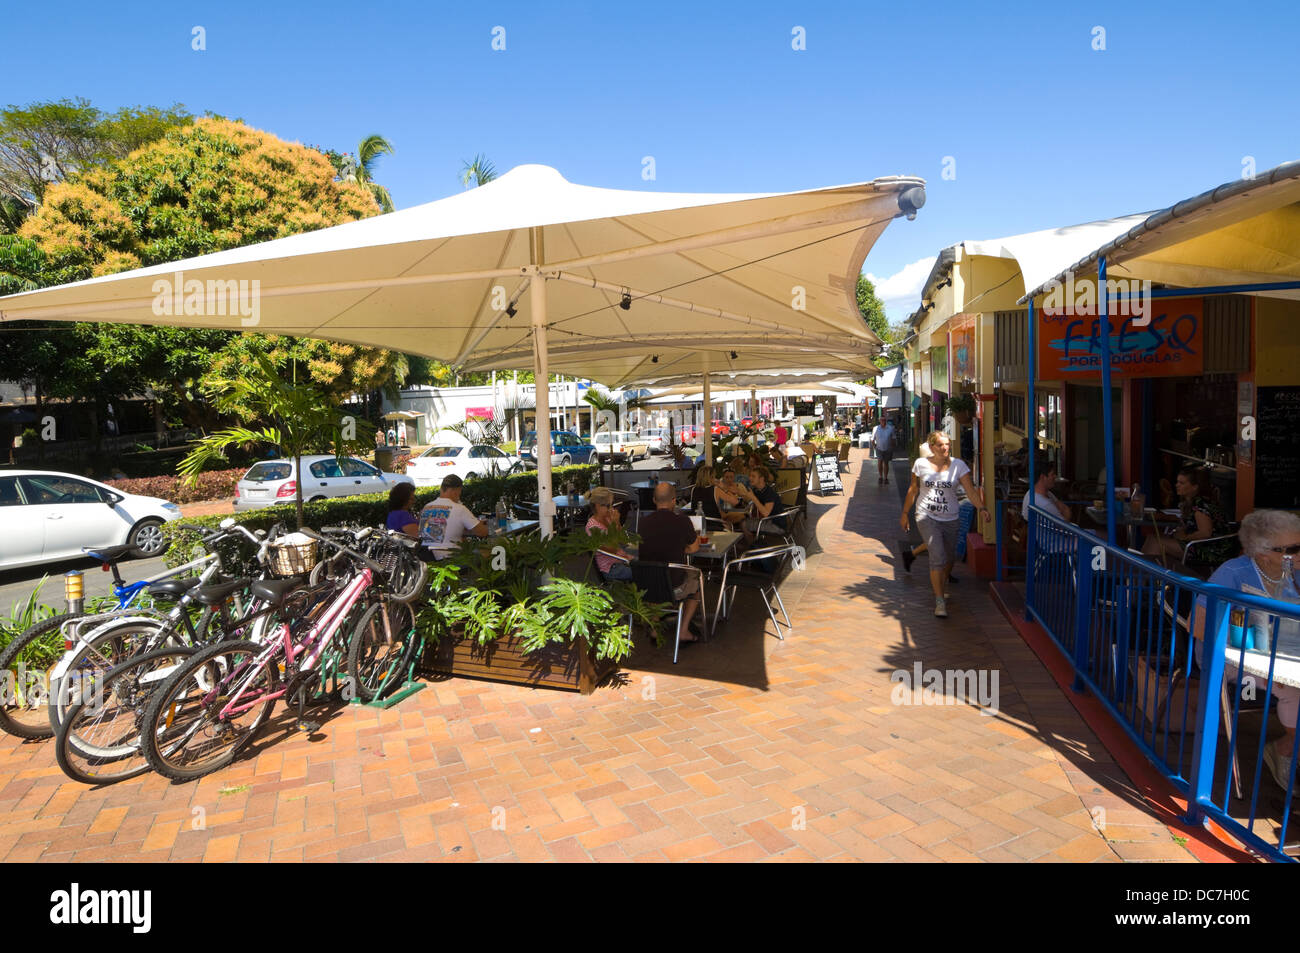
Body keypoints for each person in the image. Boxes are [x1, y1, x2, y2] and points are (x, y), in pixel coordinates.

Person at [1195, 510, 1300, 790]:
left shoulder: (1295, 575)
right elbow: (1199, 626)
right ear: (1264, 553)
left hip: (1287, 655)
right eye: (1293, 549)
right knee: (1292, 688)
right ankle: (1287, 751)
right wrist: (1258, 653)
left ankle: (1286, 746)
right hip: (1229, 658)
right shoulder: (1233, 573)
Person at [899, 431, 991, 618]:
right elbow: (913, 489)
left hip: (950, 517)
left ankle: (942, 584)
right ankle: (939, 601)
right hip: (926, 515)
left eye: (947, 444)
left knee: (950, 557)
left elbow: (970, 491)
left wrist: (981, 508)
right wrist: (905, 513)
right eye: (941, 445)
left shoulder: (959, 466)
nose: (945, 447)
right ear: (932, 447)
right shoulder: (921, 464)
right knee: (938, 556)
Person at [638, 482, 703, 640]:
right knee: (697, 582)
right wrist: (681, 548)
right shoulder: (682, 521)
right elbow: (694, 548)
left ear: (654, 500)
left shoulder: (643, 523)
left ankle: (655, 627)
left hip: (647, 586)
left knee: (656, 576)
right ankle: (684, 630)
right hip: (673, 586)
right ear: (674, 500)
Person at [1142, 464, 1232, 564]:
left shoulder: (1200, 505)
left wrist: (1185, 537)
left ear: (1194, 487)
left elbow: (1205, 533)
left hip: (1210, 550)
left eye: (1182, 483)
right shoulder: (1189, 503)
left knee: (1156, 542)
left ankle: (1146, 577)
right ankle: (1144, 576)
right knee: (1152, 537)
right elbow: (1190, 524)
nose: (1177, 485)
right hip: (1197, 545)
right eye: (1177, 482)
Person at [418, 474, 487, 559]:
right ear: (456, 491)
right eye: (460, 492)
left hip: (425, 557)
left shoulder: (426, 507)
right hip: (449, 559)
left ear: (441, 489)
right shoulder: (460, 509)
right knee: (486, 553)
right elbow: (482, 532)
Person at [586, 486, 635, 581]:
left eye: (612, 505)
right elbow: (612, 549)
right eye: (607, 506)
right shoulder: (593, 527)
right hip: (611, 568)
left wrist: (618, 524)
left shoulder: (607, 518)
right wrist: (614, 524)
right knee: (645, 573)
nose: (610, 509)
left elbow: (624, 541)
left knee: (648, 565)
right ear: (597, 505)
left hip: (622, 559)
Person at [1021, 458, 1071, 522]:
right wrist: (1062, 511)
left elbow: (1064, 508)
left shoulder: (1032, 492)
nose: (1055, 477)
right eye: (1052, 474)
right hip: (1052, 531)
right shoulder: (1045, 504)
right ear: (1043, 477)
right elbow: (1065, 522)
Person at [742, 466, 783, 541]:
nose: (750, 478)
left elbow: (765, 513)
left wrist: (753, 498)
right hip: (766, 520)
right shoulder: (758, 490)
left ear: (761, 478)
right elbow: (749, 500)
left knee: (743, 524)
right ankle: (754, 544)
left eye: (753, 476)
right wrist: (738, 492)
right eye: (750, 476)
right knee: (742, 520)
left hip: (776, 525)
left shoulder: (769, 493)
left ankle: (752, 545)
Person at [870, 417, 897, 486]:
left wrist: (893, 447)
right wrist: (874, 446)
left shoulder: (890, 428)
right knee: (880, 462)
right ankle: (880, 477)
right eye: (881, 420)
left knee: (886, 463)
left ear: (886, 421)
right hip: (879, 448)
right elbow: (872, 438)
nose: (883, 421)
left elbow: (893, 438)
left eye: (884, 420)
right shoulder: (876, 428)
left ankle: (885, 478)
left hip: (888, 448)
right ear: (879, 421)